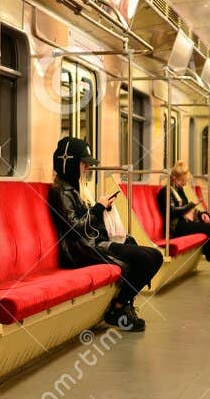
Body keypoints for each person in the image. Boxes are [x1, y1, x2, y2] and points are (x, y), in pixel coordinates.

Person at [47, 136, 161, 333]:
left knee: (152, 255)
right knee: (148, 258)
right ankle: (119, 308)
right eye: (84, 164)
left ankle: (121, 306)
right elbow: (74, 228)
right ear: (71, 163)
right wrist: (99, 208)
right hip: (80, 250)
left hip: (93, 244)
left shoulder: (75, 189)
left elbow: (86, 223)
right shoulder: (60, 192)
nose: (87, 169)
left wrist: (102, 209)